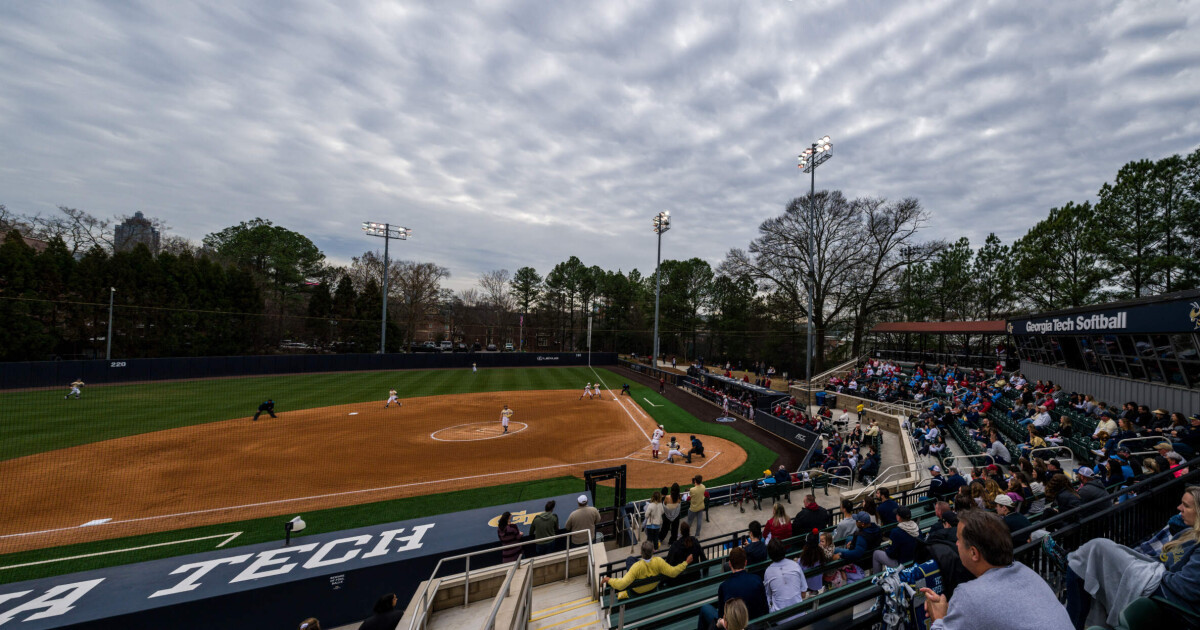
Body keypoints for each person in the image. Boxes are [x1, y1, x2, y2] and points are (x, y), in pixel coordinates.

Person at [1065, 485, 1200, 628]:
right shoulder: (1186, 534)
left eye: (1186, 506)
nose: (1179, 508)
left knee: (1099, 547)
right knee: (1099, 556)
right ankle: (1075, 561)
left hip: (1170, 600)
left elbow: (1187, 587)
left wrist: (1158, 573)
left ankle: (1072, 561)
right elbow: (1162, 560)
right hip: (1156, 578)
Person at [919, 510, 1073, 630]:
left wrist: (939, 617)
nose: (957, 544)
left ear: (973, 553)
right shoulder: (1027, 573)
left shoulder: (969, 594)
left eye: (958, 539)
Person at [697, 547, 769, 630]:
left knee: (705, 608)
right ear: (745, 563)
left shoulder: (724, 586)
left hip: (733, 626)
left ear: (730, 564)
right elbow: (765, 608)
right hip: (756, 625)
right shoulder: (757, 580)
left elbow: (721, 616)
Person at [602, 541, 692, 599]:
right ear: (652, 551)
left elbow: (621, 584)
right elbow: (673, 572)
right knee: (630, 559)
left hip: (638, 590)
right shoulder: (659, 561)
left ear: (641, 552)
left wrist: (609, 580)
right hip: (652, 587)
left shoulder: (636, 567)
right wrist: (686, 562)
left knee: (629, 559)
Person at [873, 505, 920, 573]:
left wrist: (886, 550)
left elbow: (892, 554)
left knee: (876, 554)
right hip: (915, 561)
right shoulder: (917, 528)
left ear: (898, 517)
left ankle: (876, 580)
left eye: (897, 514)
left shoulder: (896, 532)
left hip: (901, 565)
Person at [763, 538, 806, 611]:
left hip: (780, 618)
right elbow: (803, 593)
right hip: (799, 613)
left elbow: (768, 596)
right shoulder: (795, 565)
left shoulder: (768, 571)